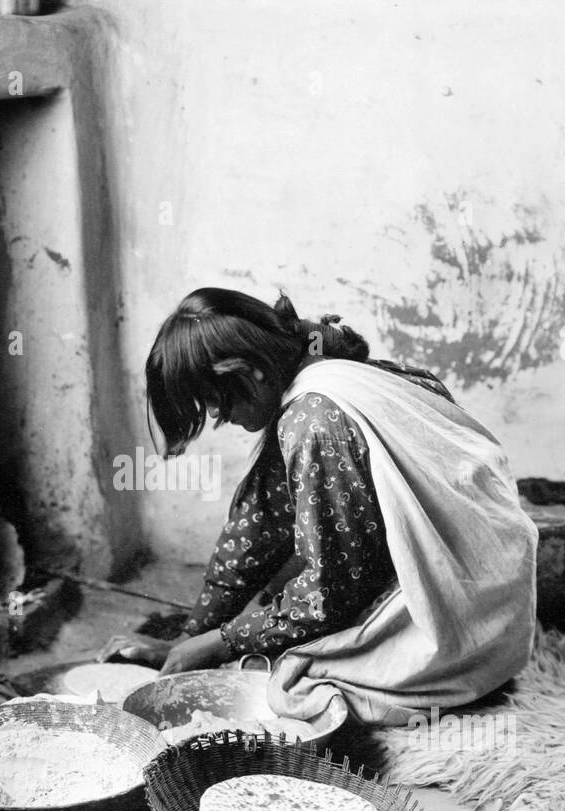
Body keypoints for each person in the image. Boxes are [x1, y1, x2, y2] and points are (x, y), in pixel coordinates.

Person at [102, 288, 538, 726]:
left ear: (248, 372)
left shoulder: (313, 420)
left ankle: (447, 672)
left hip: (466, 613)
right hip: (494, 584)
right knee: (279, 589)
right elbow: (258, 524)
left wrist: (220, 642)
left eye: (216, 402)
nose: (218, 418)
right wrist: (190, 635)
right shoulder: (317, 375)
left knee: (292, 686)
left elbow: (327, 593)